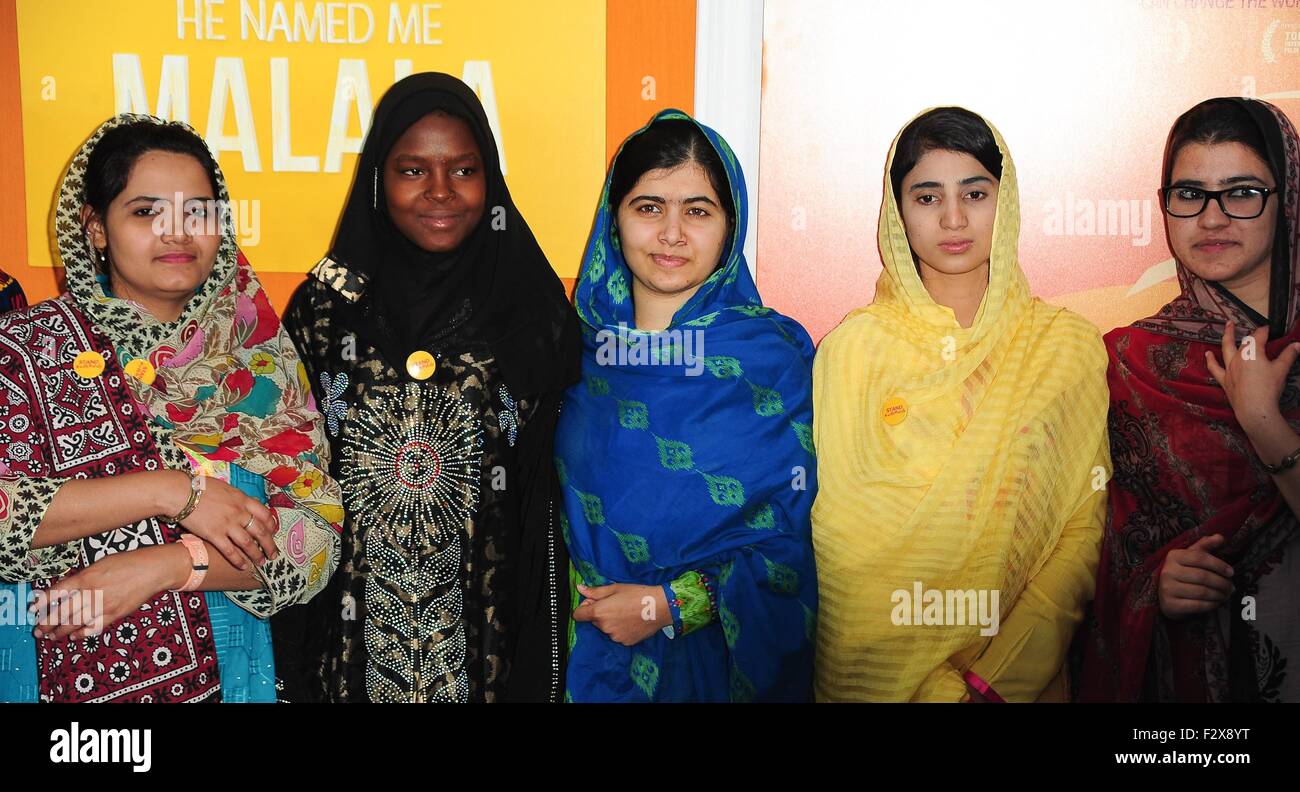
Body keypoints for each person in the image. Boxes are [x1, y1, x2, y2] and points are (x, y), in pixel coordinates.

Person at [0, 114, 342, 703]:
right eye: (145, 211)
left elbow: (314, 540)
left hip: (238, 675)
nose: (178, 233)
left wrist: (168, 566)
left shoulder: (258, 359)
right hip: (55, 680)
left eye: (199, 212)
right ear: (96, 228)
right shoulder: (26, 350)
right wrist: (173, 492)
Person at [270, 73, 582, 703]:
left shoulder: (530, 312)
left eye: (463, 171)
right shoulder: (325, 311)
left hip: (488, 648)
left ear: (489, 180)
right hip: (345, 649)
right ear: (379, 182)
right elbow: (289, 478)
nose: (441, 192)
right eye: (413, 171)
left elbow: (544, 503)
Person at [812, 107, 1110, 702]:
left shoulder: (1063, 346)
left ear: (1008, 200)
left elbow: (1081, 529)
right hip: (873, 676)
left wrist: (996, 682)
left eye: (975, 192)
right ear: (897, 214)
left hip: (1015, 681)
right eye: (926, 197)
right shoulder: (855, 349)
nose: (953, 218)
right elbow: (843, 541)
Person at [557, 110, 818, 702]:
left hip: (716, 669)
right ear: (613, 218)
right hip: (582, 660)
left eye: (698, 211)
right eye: (649, 207)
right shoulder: (569, 352)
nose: (672, 233)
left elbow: (794, 539)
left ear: (730, 226)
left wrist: (667, 604)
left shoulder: (769, 363)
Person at [1080, 98, 1300, 702]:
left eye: (1242, 192)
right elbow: (1091, 552)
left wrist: (1265, 423)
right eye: (1190, 194)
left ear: (1288, 203)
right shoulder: (1128, 362)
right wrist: (1155, 582)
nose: (1212, 218)